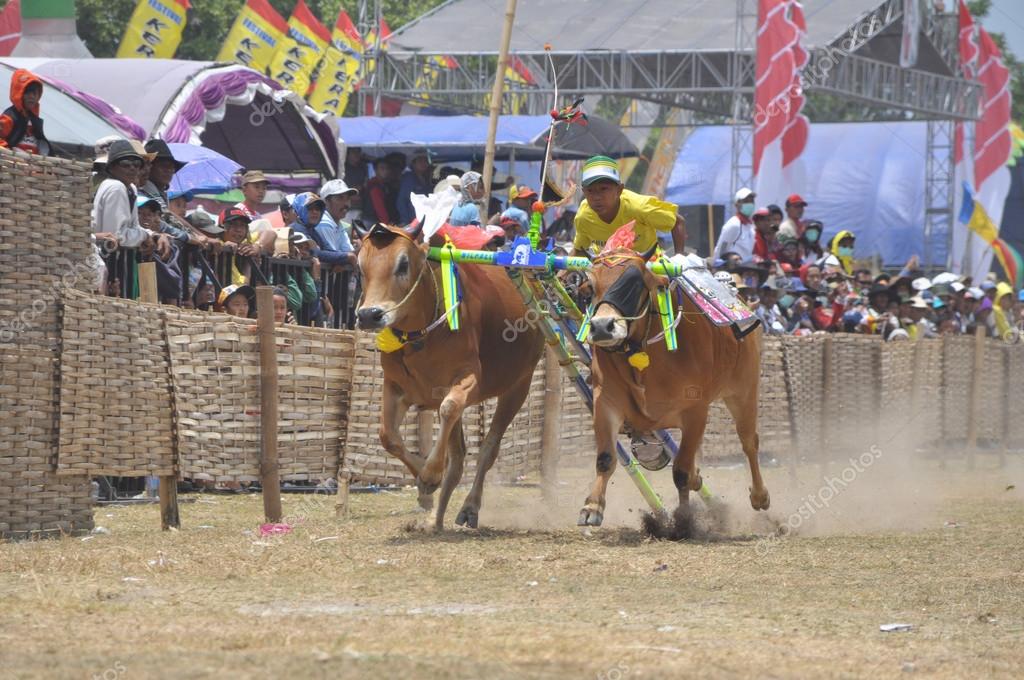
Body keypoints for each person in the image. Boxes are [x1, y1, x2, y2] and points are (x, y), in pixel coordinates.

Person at [572, 155, 686, 255]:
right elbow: (579, 250)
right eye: (590, 190)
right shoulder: (583, 217)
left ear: (619, 190)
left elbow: (677, 222)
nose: (597, 197)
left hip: (647, 264)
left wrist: (679, 257)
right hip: (605, 265)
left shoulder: (639, 208)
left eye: (603, 189)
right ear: (584, 192)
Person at [91, 140, 171, 256]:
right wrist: (145, 236)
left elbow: (134, 226)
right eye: (125, 164)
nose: (132, 168)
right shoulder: (116, 187)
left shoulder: (130, 188)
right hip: (105, 257)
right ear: (112, 167)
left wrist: (153, 235)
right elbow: (115, 236)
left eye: (137, 164)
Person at [0, 68, 50, 156]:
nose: (32, 97)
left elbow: (40, 142)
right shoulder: (9, 117)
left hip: (33, 162)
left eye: (35, 93)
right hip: (14, 161)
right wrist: (8, 153)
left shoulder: (34, 119)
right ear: (18, 94)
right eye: (28, 93)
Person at [316, 180, 358, 266]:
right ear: (326, 201)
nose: (346, 204)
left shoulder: (338, 224)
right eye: (340, 198)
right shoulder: (324, 223)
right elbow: (336, 258)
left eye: (348, 199)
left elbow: (348, 253)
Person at [714, 188, 756, 261]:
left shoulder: (751, 227)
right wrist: (717, 264)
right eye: (746, 201)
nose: (750, 204)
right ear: (737, 204)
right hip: (732, 266)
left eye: (752, 201)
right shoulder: (734, 224)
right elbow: (721, 249)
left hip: (747, 266)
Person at [397, 149, 434, 225]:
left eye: (425, 161)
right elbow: (401, 201)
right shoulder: (408, 178)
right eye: (420, 161)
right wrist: (405, 222)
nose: (424, 163)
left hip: (425, 219)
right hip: (413, 221)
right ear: (413, 164)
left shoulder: (425, 178)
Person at [362, 157, 399, 224]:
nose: (385, 171)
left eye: (387, 168)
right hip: (372, 222)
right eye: (382, 168)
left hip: (377, 221)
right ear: (375, 170)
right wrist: (386, 223)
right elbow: (379, 207)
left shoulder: (385, 184)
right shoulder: (374, 185)